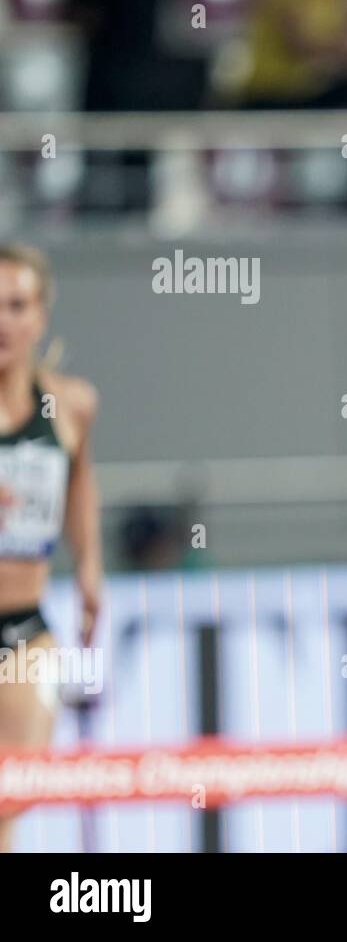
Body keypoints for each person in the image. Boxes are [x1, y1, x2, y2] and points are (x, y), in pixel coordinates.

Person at [0, 244, 102, 852]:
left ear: (41, 315)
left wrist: (90, 570)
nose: (1, 322)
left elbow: (81, 481)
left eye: (16, 306)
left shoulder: (71, 406)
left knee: (15, 793)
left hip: (24, 634)